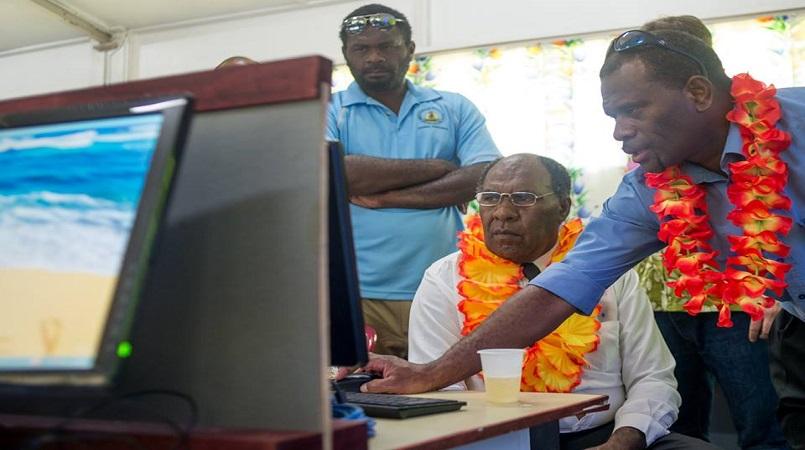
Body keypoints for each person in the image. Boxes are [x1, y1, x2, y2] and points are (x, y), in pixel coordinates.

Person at [357, 24, 805, 450]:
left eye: (633, 110)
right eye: (613, 115)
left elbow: (652, 380)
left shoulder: (797, 127)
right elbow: (560, 287)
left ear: (698, 92)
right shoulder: (649, 189)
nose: (619, 131)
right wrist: (430, 374)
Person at [410, 153, 720, 450]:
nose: (502, 212)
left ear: (562, 207)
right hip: (495, 439)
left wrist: (624, 441)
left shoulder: (609, 272)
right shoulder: (444, 278)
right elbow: (439, 391)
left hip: (605, 435)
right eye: (490, 197)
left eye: (522, 198)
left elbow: (653, 377)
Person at [633, 16, 788, 449]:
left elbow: (774, 216)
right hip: (661, 298)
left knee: (762, 424)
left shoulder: (749, 130)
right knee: (675, 426)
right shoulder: (646, 121)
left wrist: (777, 290)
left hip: (739, 301)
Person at [326, 4, 501, 359]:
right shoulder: (329, 109)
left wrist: (386, 197)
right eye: (362, 49)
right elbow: (341, 173)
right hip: (359, 292)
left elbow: (486, 174)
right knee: (364, 395)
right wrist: (441, 165)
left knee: (450, 396)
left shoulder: (453, 107)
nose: (375, 57)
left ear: (409, 49)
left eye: (387, 46)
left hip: (442, 285)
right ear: (346, 54)